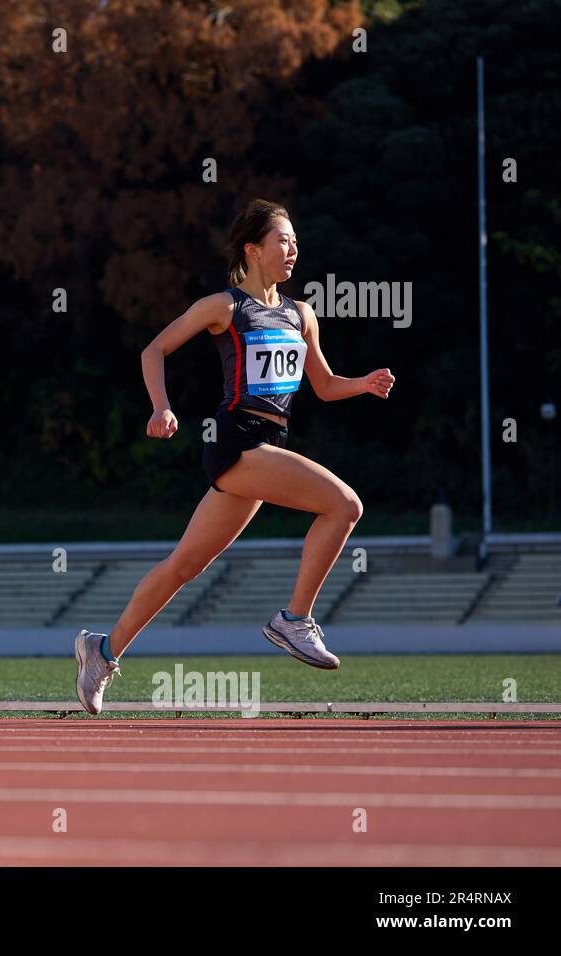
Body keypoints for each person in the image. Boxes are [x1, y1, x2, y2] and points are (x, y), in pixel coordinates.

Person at [74, 200, 395, 714]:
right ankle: (294, 619)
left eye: (294, 242)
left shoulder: (301, 314)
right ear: (253, 249)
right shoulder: (225, 307)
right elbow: (152, 351)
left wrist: (364, 384)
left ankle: (102, 651)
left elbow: (326, 385)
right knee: (345, 506)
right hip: (238, 444)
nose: (293, 250)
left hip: (265, 451)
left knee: (184, 565)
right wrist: (161, 407)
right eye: (283, 241)